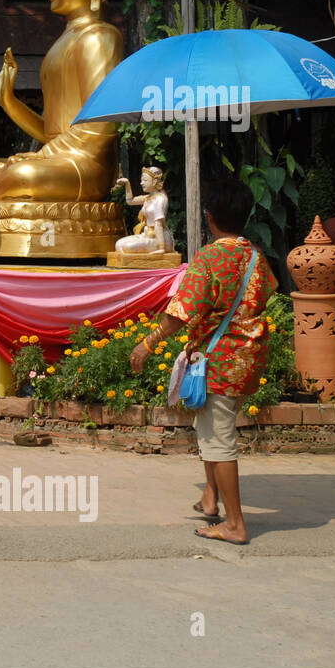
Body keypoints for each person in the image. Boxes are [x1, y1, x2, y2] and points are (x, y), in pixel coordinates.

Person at [131, 178, 276, 544]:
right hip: (249, 358)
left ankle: (235, 524)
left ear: (210, 218)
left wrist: (148, 344)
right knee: (210, 430)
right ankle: (210, 499)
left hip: (220, 361)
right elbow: (266, 291)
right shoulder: (256, 256)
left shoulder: (211, 257)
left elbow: (183, 312)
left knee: (220, 440)